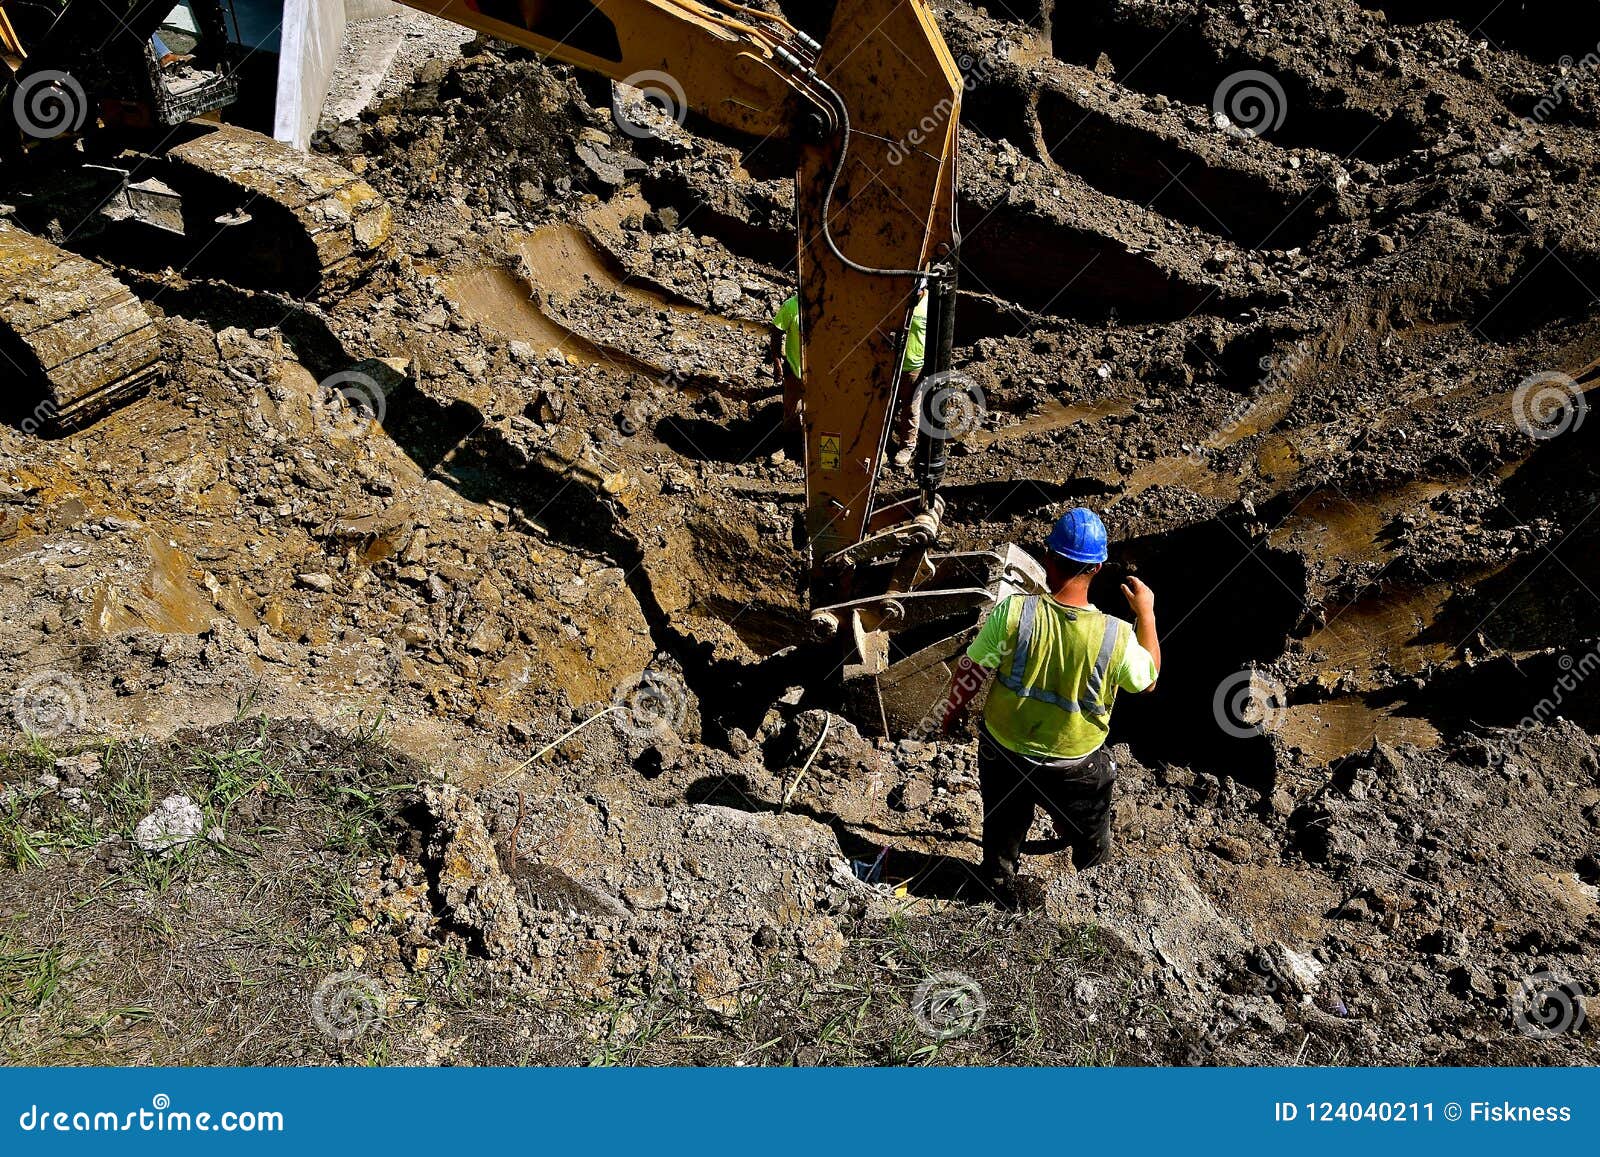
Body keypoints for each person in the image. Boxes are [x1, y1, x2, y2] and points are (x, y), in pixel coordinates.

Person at [937, 508, 1161, 902]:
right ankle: (1093, 898)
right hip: (1074, 764)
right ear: (1099, 568)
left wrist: (951, 714)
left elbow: (971, 672)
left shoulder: (1015, 612)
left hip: (1003, 750)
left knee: (1003, 828)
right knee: (1092, 841)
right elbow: (1148, 682)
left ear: (1048, 559)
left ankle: (998, 888)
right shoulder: (1117, 636)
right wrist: (1146, 613)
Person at [769, 288, 928, 450]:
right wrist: (777, 362)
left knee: (826, 413)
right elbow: (776, 332)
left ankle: (818, 447)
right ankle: (792, 446)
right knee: (792, 413)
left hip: (825, 374)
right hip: (796, 372)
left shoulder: (831, 305)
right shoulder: (792, 306)